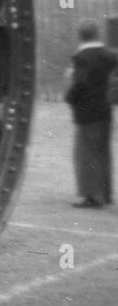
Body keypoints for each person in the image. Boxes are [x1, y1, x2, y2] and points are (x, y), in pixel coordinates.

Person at [65, 19, 116, 208]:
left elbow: (79, 83)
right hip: (105, 109)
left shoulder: (82, 57)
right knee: (103, 152)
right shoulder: (109, 55)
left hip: (87, 112)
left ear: (80, 35)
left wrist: (69, 97)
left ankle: (91, 196)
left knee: (86, 153)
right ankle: (105, 193)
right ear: (97, 34)